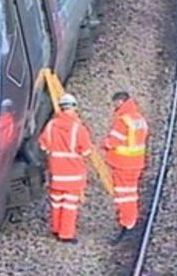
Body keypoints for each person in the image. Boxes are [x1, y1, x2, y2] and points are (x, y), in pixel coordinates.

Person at [38, 93, 93, 243]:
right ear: (74, 108)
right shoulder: (78, 128)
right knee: (69, 205)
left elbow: (43, 145)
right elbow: (86, 151)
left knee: (56, 203)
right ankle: (66, 234)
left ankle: (55, 229)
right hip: (73, 173)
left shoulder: (50, 126)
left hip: (56, 173)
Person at [101, 91, 148, 244]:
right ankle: (130, 220)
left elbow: (113, 141)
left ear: (121, 102)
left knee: (124, 195)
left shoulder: (123, 120)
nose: (114, 106)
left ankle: (127, 223)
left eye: (115, 103)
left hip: (123, 164)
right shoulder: (138, 118)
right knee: (131, 193)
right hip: (136, 163)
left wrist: (104, 144)